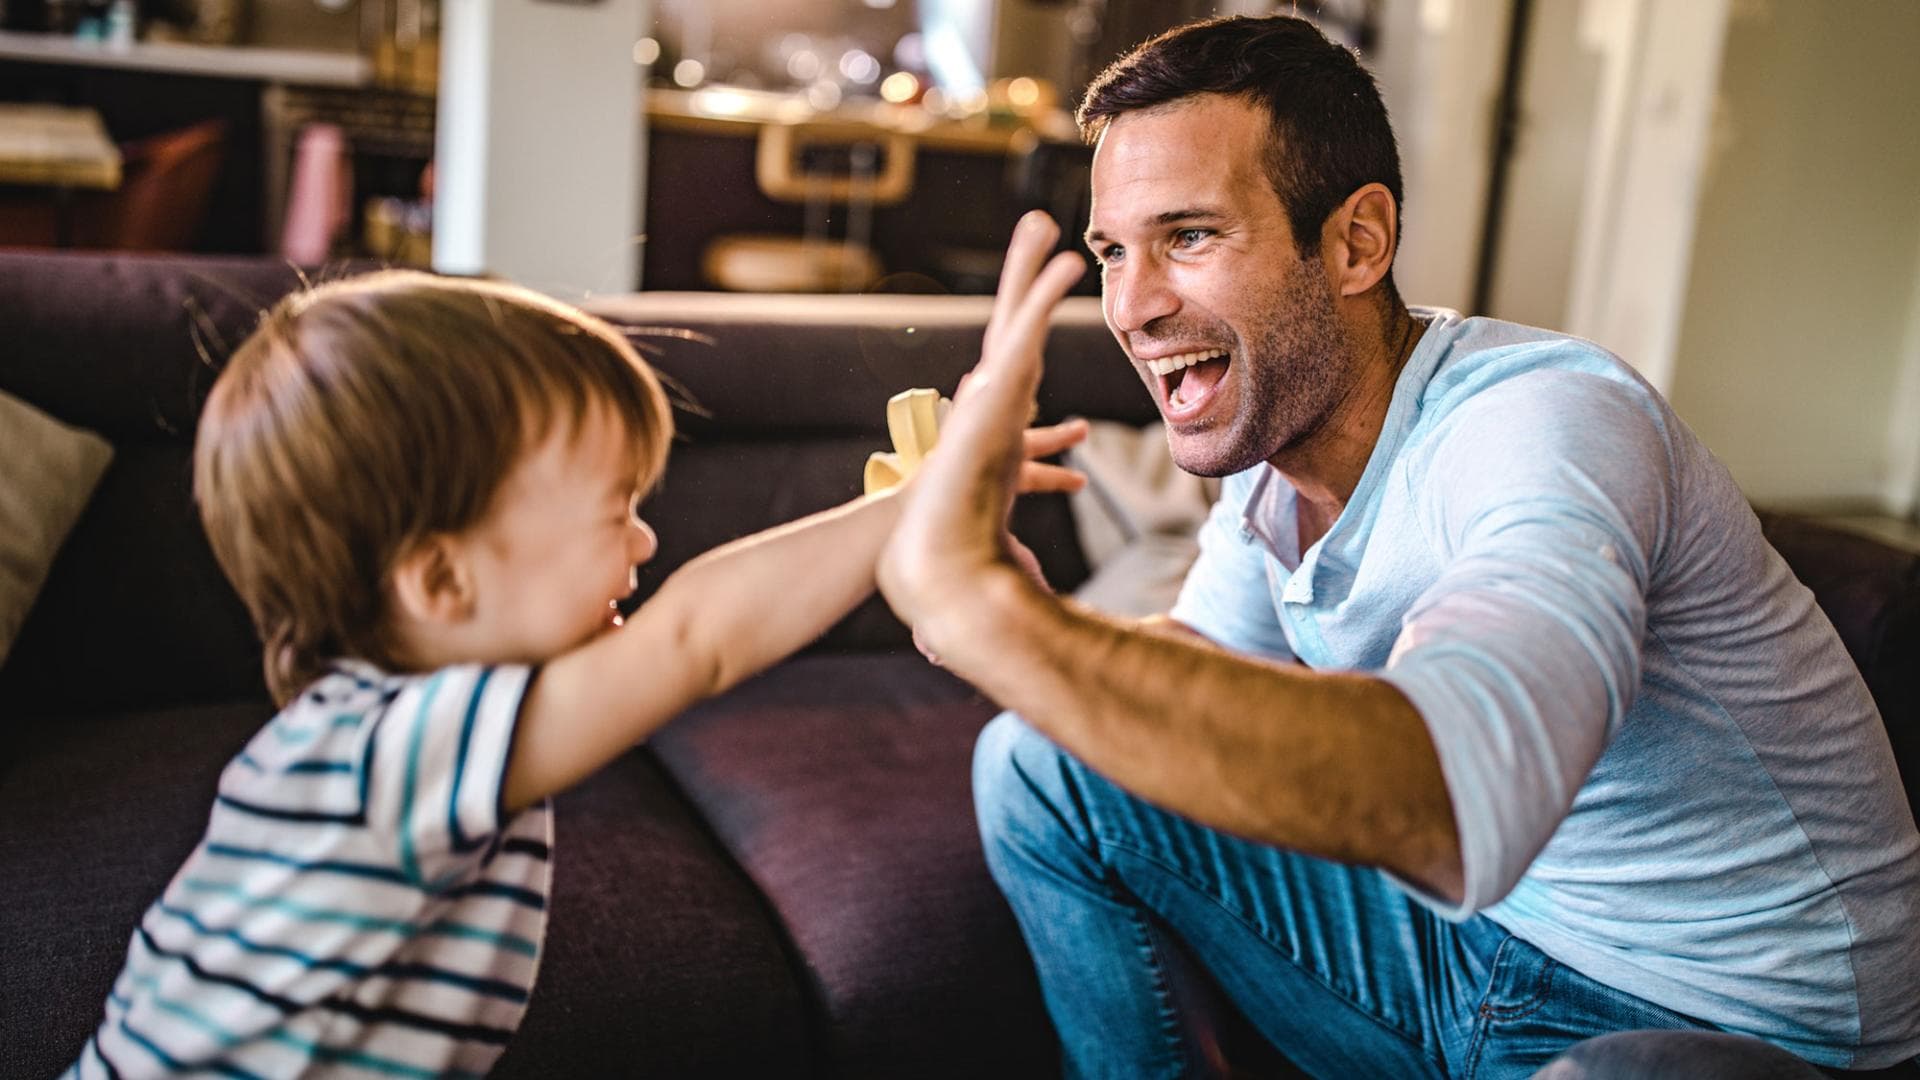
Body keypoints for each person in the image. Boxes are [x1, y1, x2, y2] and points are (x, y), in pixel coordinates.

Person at [876, 14, 1920, 1079]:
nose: (1133, 306)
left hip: (1731, 1022)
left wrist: (1005, 624)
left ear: (1356, 243)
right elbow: (1200, 672)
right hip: (1482, 951)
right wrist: (1019, 619)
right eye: (1112, 251)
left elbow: (1459, 803)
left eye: (1188, 236)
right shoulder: (1270, 455)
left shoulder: (1542, 424)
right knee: (1045, 762)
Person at [64, 270, 1087, 1078]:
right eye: (614, 511)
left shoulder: (389, 739)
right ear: (440, 576)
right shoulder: (387, 751)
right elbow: (700, 638)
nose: (644, 543)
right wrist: (912, 507)